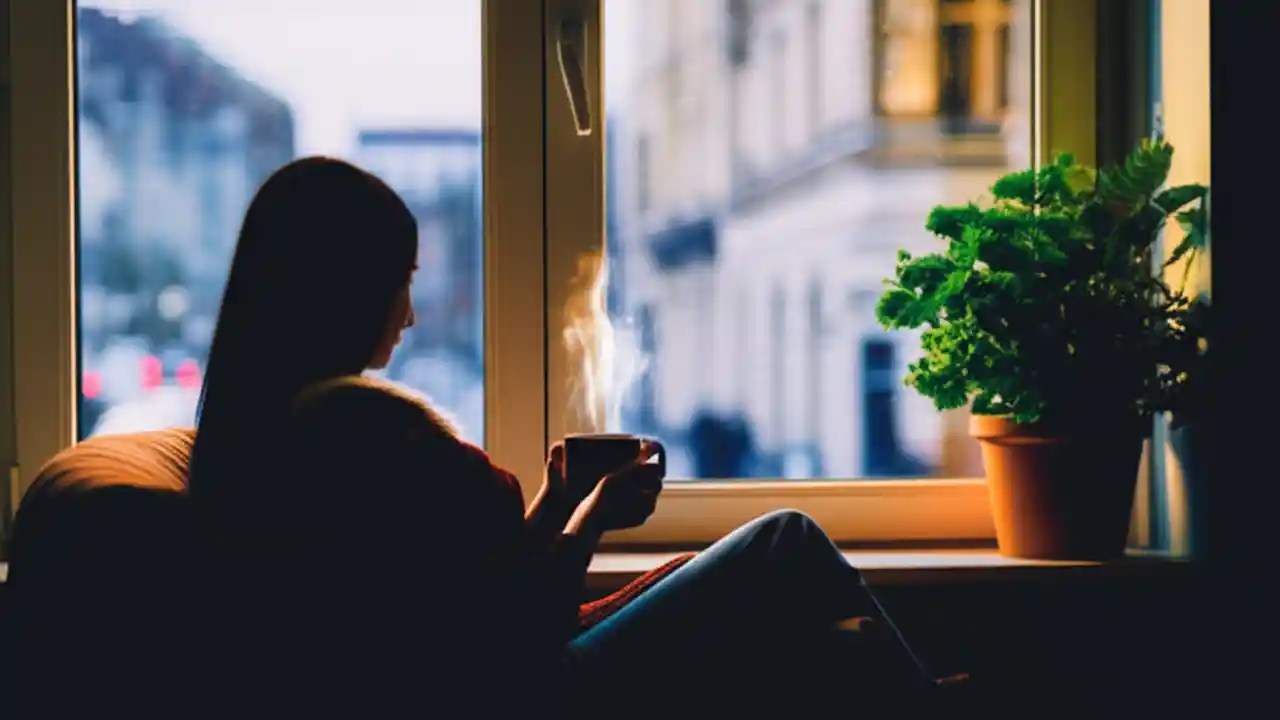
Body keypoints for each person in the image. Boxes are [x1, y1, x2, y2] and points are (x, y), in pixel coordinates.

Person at [188, 157, 949, 717]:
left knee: (827, 653)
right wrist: (593, 520)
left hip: (514, 677)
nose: (410, 313)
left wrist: (554, 501)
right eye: (402, 280)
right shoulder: (357, 433)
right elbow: (510, 634)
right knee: (786, 539)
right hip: (543, 692)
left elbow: (450, 597)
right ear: (345, 285)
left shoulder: (271, 430)